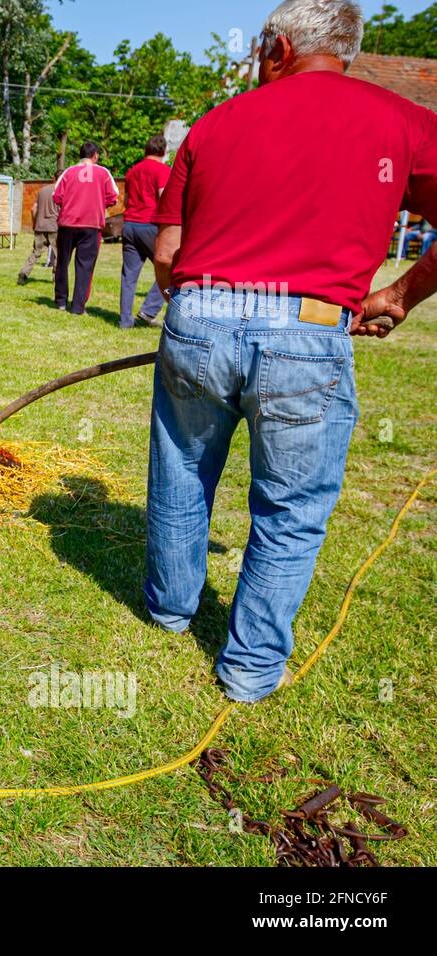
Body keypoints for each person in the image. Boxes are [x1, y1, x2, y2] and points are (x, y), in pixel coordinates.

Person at [148, 0, 437, 703]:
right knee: (290, 507)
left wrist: (206, 308)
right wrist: (399, 294)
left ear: (278, 47)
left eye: (257, 50)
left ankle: (168, 610)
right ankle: (248, 670)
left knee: (183, 472)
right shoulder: (402, 121)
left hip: (200, 315)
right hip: (308, 330)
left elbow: (166, 254)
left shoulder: (217, 123)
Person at [52, 141, 119, 314]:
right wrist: (97, 203)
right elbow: (113, 197)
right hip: (91, 225)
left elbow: (57, 196)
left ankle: (60, 301)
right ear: (95, 155)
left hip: (67, 223)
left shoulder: (68, 172)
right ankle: (78, 307)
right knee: (85, 266)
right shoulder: (104, 173)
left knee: (62, 262)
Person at [118, 135, 172, 328]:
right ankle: (149, 310)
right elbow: (164, 199)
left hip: (130, 225)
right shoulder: (163, 170)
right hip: (150, 225)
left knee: (129, 276)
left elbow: (125, 202)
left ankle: (125, 321)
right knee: (171, 270)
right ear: (164, 151)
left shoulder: (133, 171)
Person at [18, 178, 59, 284]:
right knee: (58, 254)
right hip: (55, 227)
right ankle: (57, 279)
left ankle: (23, 273)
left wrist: (34, 223)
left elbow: (33, 209)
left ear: (54, 178)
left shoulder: (42, 191)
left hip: (40, 226)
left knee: (36, 252)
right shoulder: (62, 190)